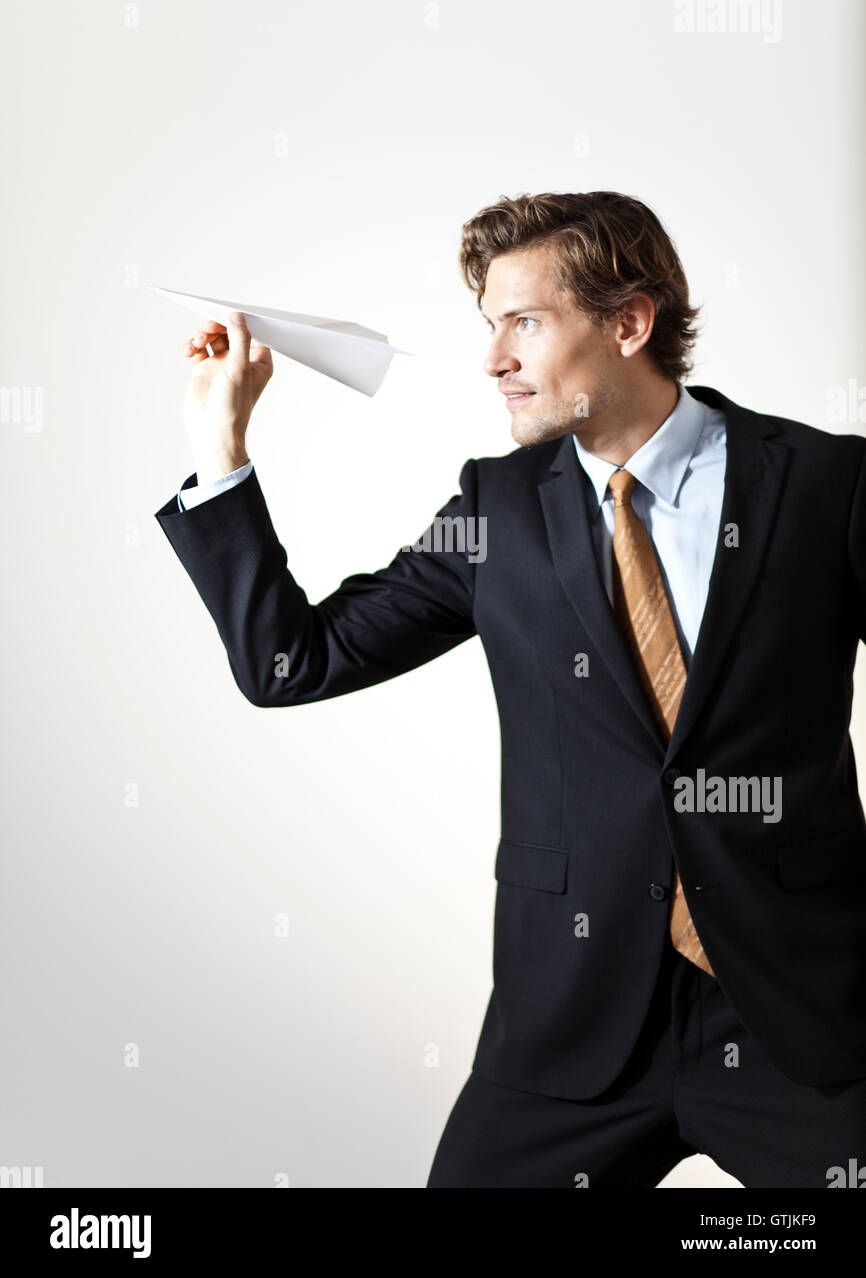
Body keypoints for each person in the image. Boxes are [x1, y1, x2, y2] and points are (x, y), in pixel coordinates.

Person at [155, 191, 866, 1188]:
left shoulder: (822, 484)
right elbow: (291, 663)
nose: (493, 360)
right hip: (572, 1023)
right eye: (488, 327)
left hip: (797, 1010)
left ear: (628, 323)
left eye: (523, 323)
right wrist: (219, 446)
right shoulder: (495, 513)